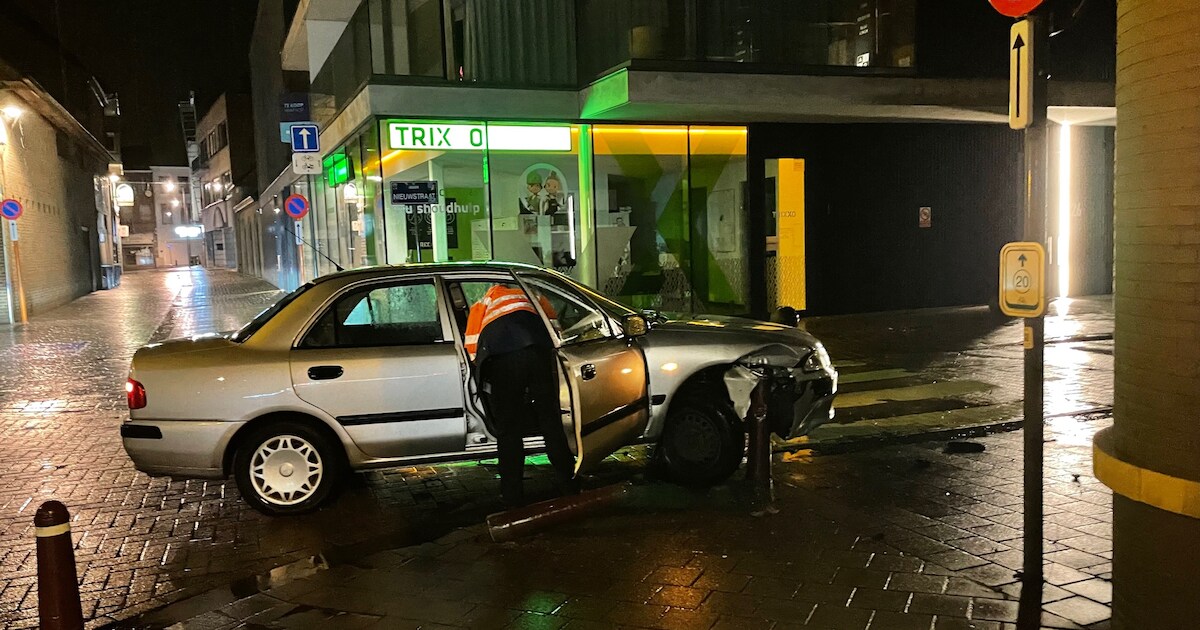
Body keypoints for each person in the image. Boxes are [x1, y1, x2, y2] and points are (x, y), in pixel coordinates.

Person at [464, 283, 578, 506]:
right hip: (537, 354)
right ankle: (570, 485)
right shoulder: (532, 294)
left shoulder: (486, 300)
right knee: (550, 422)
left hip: (504, 361)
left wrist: (479, 367)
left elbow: (472, 343)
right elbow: (556, 330)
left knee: (509, 431)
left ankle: (512, 496)